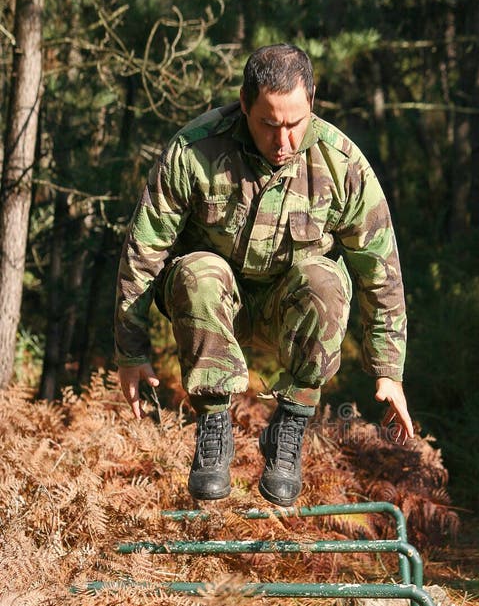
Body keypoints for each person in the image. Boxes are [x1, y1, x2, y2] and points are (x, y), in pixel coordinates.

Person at [114, 43, 413, 507]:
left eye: (295, 124)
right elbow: (144, 248)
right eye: (268, 124)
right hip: (213, 307)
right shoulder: (195, 150)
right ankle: (213, 426)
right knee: (199, 272)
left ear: (312, 98)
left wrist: (388, 370)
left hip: (291, 312)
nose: (283, 141)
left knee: (327, 279)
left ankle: (290, 425)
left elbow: (381, 270)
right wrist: (131, 351)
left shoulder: (343, 165)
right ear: (244, 104)